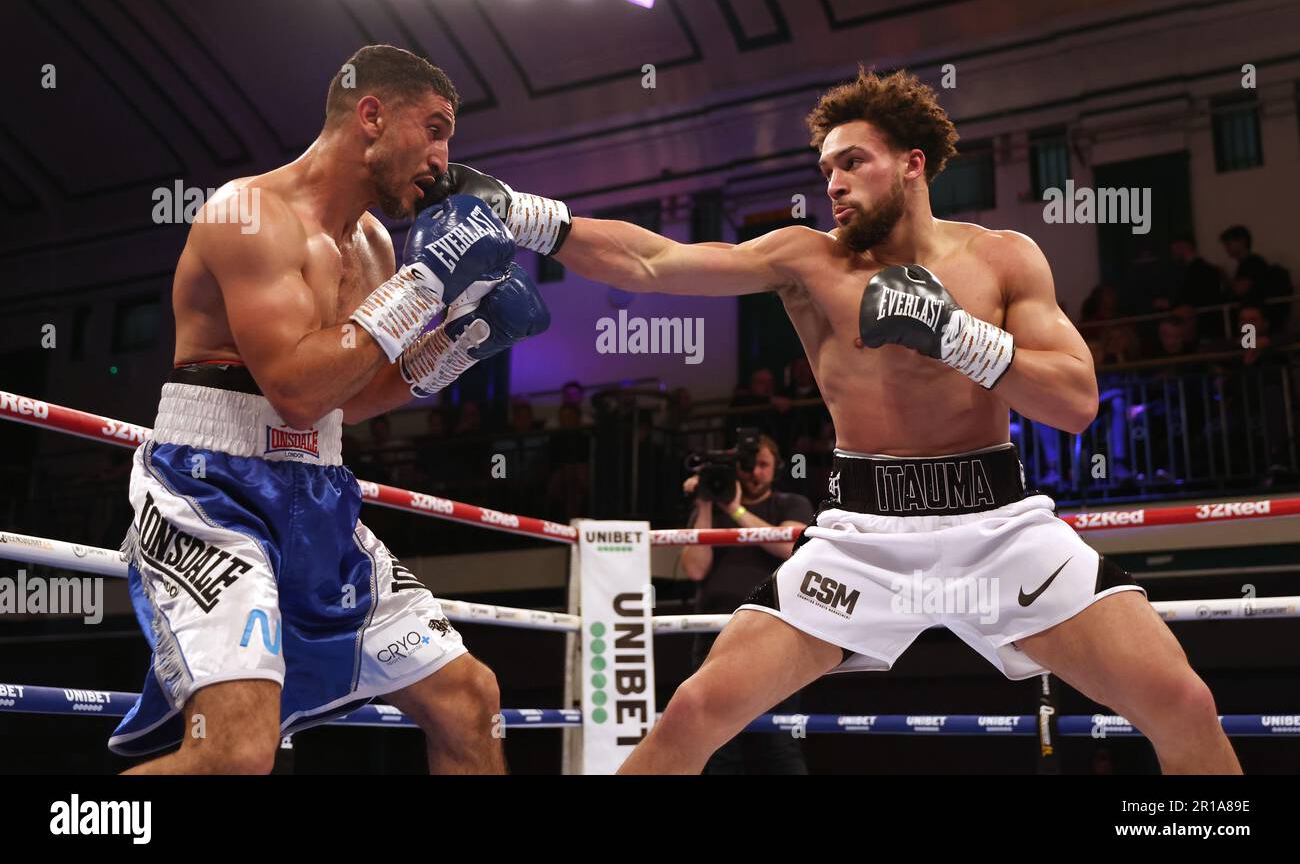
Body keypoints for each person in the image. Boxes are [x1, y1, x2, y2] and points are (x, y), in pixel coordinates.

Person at [431, 66, 1240, 774]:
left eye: (853, 161)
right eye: (826, 168)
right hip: (863, 536)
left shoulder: (1003, 257)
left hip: (1000, 524)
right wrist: (532, 218)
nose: (835, 182)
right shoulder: (806, 260)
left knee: (1181, 700)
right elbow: (653, 262)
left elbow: (1074, 401)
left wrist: (956, 336)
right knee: (691, 713)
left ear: (913, 164)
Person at [111, 45, 551, 773]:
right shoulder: (249, 213)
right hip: (211, 488)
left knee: (470, 699)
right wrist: (427, 284)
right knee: (234, 752)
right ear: (371, 115)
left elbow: (354, 392)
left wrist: (464, 343)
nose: (444, 161)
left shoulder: (374, 243)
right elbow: (296, 388)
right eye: (435, 128)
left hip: (316, 487)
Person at [679, 434, 813, 773]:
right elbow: (695, 569)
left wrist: (735, 509)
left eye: (763, 464)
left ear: (777, 467)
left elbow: (791, 547)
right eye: (748, 465)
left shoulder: (790, 502)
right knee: (718, 746)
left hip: (775, 634)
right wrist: (707, 503)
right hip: (715, 636)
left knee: (779, 740)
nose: (755, 472)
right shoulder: (710, 509)